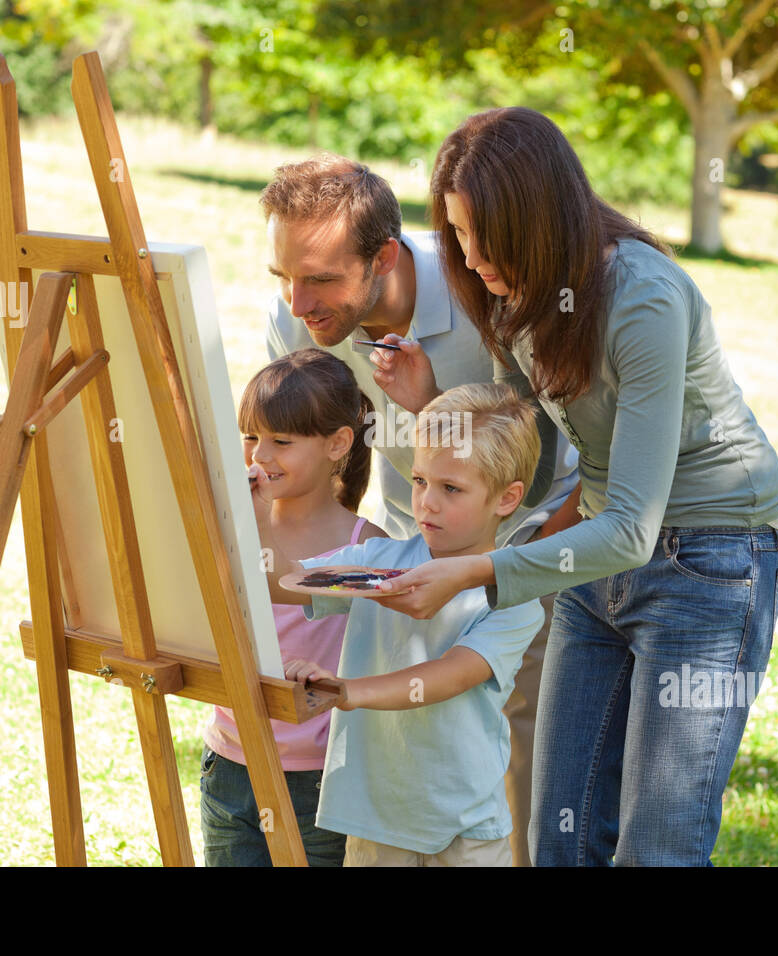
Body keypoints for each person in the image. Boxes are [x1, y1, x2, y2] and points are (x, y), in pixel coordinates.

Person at [367, 107, 778, 866]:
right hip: (592, 564)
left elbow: (634, 526)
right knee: (558, 838)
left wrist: (475, 573)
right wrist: (432, 408)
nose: (472, 257)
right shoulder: (513, 293)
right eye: (457, 233)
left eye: (486, 235)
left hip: (710, 564)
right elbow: (523, 478)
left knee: (655, 848)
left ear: (540, 217)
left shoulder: (643, 297)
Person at [260, 154, 580, 865]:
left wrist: (509, 571)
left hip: (523, 548)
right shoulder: (298, 321)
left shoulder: (484, 294)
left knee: (504, 733)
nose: (296, 302)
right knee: (409, 742)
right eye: (283, 276)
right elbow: (313, 454)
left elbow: (547, 461)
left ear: (384, 258)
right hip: (408, 545)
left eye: (318, 278)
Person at [260, 384, 544, 866]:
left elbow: (449, 676)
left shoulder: (512, 595)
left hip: (467, 831)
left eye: (450, 488)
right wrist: (254, 515)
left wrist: (346, 691)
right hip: (376, 821)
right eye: (418, 481)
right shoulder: (378, 561)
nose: (427, 503)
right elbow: (288, 582)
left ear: (507, 497)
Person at [199, 349, 386, 866]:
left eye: (281, 441)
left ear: (338, 444)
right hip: (230, 762)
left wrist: (249, 526)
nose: (260, 456)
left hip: (319, 779)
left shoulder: (367, 546)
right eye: (251, 438)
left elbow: (291, 585)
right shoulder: (233, 525)